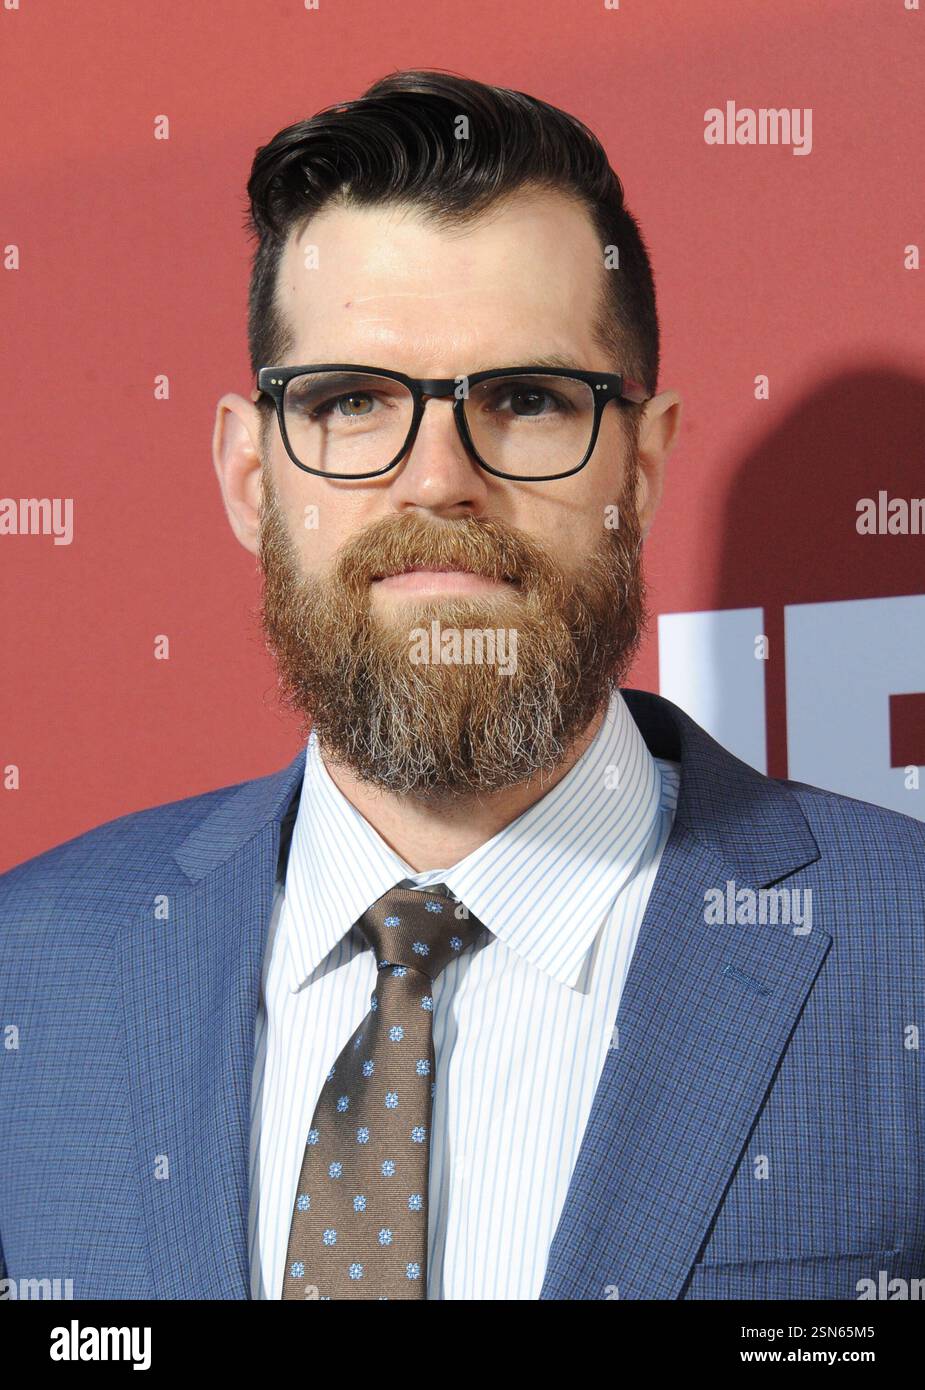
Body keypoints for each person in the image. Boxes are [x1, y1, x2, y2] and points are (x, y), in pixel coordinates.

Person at [1, 69, 922, 1303]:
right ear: (249, 477)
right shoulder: (31, 970)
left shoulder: (899, 951)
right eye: (348, 401)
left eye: (529, 400)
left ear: (640, 473)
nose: (437, 481)